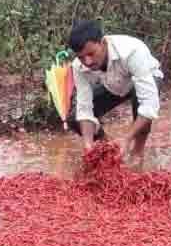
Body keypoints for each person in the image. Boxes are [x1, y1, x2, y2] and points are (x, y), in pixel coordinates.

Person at [66, 20, 164, 169]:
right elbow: (84, 108)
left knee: (141, 106)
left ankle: (137, 151)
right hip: (113, 84)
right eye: (81, 57)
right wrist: (88, 144)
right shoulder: (78, 66)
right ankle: (108, 146)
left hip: (145, 79)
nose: (87, 61)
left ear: (103, 43)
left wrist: (127, 138)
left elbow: (149, 105)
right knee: (74, 118)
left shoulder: (132, 51)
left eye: (91, 54)